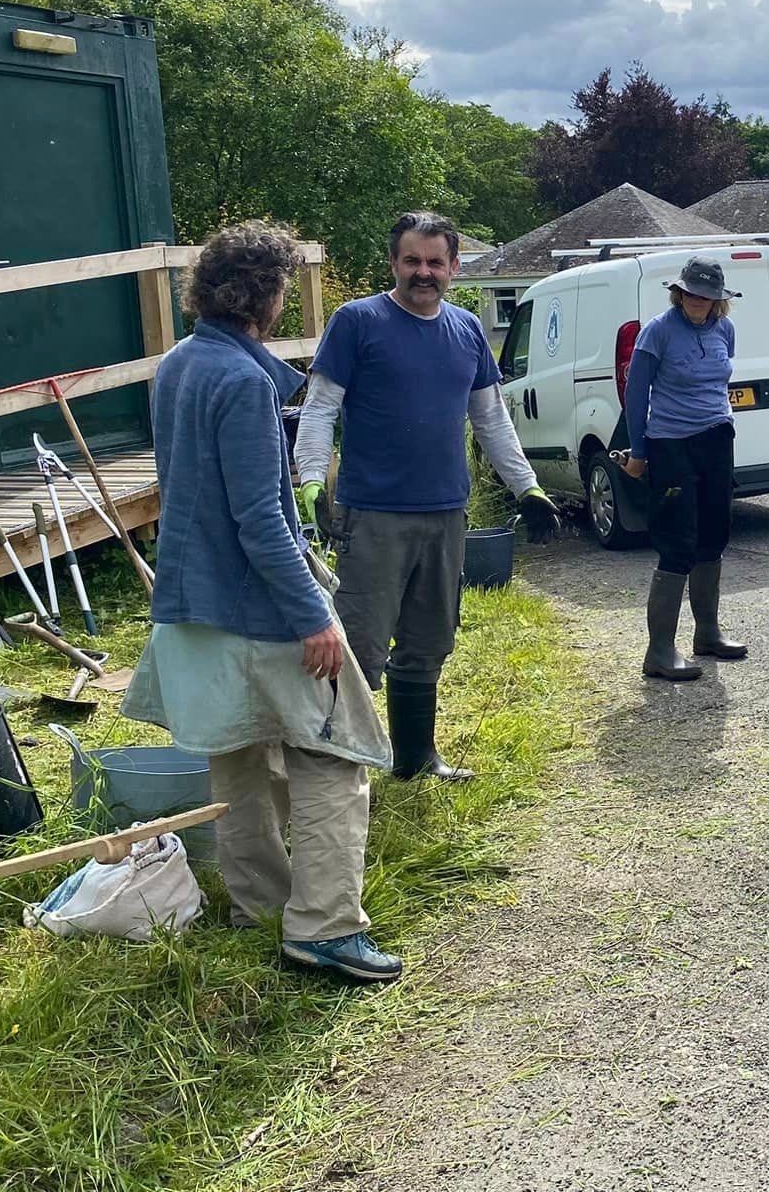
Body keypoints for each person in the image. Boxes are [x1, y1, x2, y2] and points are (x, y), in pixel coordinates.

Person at [126, 222, 400, 982]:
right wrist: (312, 616)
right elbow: (258, 518)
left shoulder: (179, 363)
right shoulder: (244, 380)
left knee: (239, 761)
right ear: (267, 293)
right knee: (334, 758)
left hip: (190, 600)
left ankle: (262, 907)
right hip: (255, 606)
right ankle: (323, 929)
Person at [293, 212, 559, 781]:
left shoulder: (466, 331)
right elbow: (319, 409)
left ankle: (414, 758)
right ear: (392, 263)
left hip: (445, 514)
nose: (423, 272)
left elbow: (490, 418)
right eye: (411, 260)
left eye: (435, 262)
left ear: (455, 267)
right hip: (374, 515)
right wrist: (312, 479)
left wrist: (528, 487)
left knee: (429, 641)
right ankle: (336, 767)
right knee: (359, 643)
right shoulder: (357, 322)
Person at [615, 256, 750, 681]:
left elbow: (718, 382)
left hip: (716, 437)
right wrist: (639, 452)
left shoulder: (724, 329)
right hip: (670, 442)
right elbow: (637, 395)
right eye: (692, 292)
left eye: (708, 295)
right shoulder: (658, 331)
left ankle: (707, 633)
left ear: (718, 300)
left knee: (715, 532)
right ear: (679, 292)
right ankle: (659, 651)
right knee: (678, 539)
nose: (699, 300)